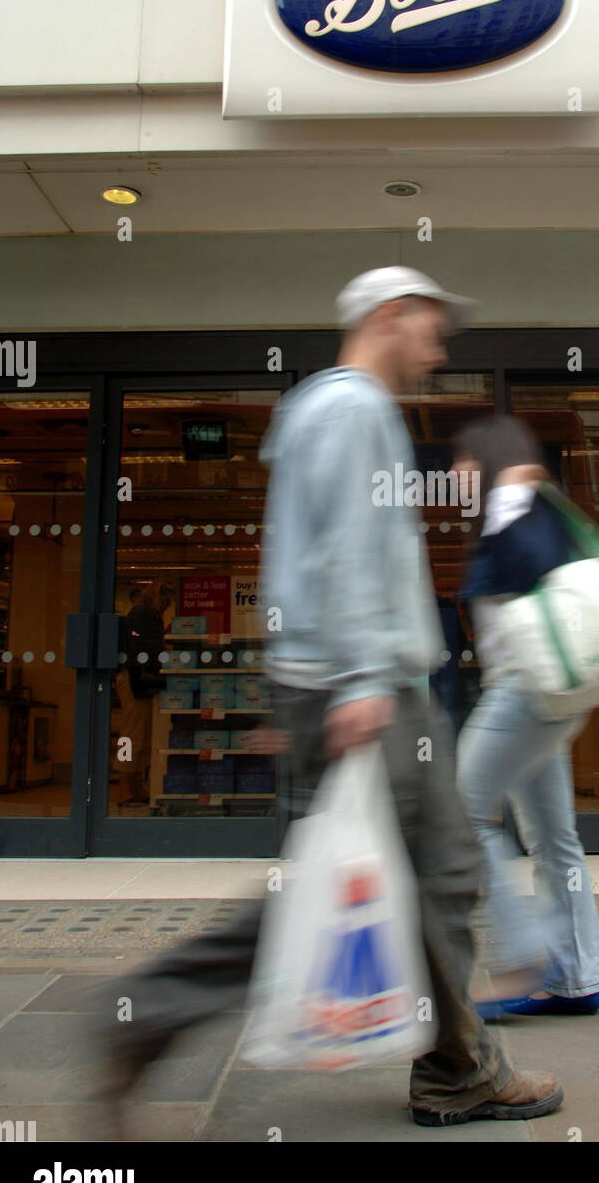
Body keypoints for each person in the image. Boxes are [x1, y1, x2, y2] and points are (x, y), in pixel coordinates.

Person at [96, 267, 562, 1130]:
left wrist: (308, 687)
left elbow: (306, 558)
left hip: (344, 683)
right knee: (410, 877)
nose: (438, 344)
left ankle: (455, 1069)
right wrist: (354, 683)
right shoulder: (354, 410)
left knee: (413, 878)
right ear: (388, 316)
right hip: (369, 688)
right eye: (430, 323)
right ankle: (154, 1008)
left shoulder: (318, 407)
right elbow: (345, 553)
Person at [452, 415, 599, 1019]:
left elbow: (536, 571)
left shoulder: (514, 504)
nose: (457, 473)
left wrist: (515, 489)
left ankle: (524, 958)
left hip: (521, 690)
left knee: (462, 814)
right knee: (553, 838)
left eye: (463, 461)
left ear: (488, 461)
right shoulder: (533, 506)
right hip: (549, 696)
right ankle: (577, 978)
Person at [114, 579, 173, 806]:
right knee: (130, 736)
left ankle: (135, 786)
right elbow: (141, 645)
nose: (168, 606)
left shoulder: (149, 615)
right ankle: (123, 787)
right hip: (134, 678)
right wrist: (165, 651)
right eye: (166, 601)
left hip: (140, 678)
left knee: (141, 735)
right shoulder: (141, 614)